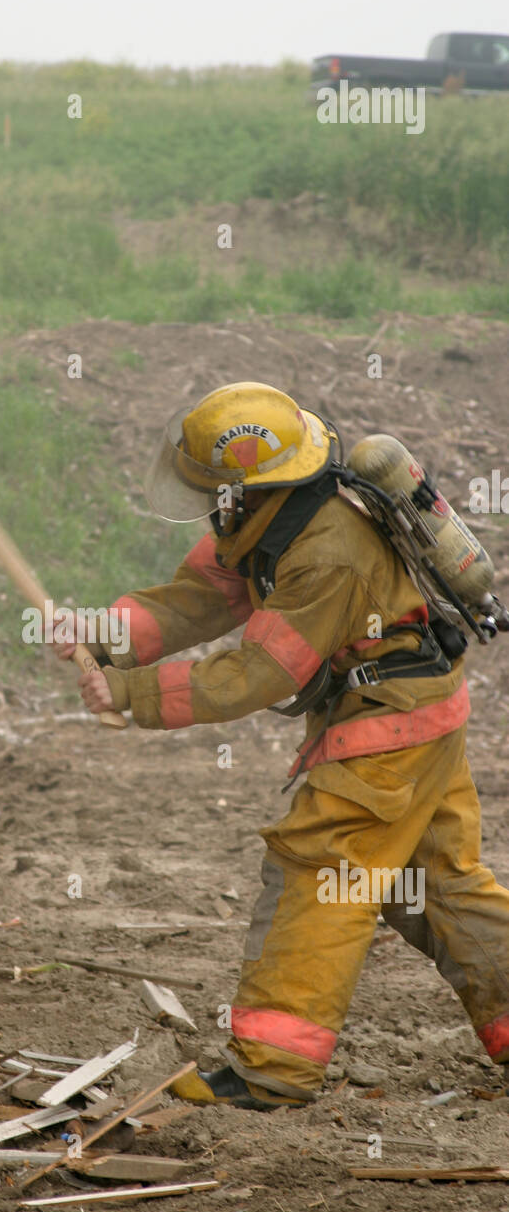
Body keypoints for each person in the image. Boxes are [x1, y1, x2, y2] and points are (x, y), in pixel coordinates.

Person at [54, 381, 509, 1110]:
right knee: (437, 886)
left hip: (386, 732)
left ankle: (269, 1070)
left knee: (317, 874)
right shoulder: (270, 513)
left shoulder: (328, 549)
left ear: (246, 481)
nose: (208, 503)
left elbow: (257, 674)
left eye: (213, 488)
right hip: (417, 717)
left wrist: (132, 696)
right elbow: (197, 598)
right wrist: (101, 634)